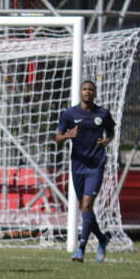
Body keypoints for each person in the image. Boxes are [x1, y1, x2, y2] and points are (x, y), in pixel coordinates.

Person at [55, 79, 115, 263]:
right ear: (80, 92)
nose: (87, 92)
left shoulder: (102, 113)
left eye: (91, 90)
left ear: (95, 93)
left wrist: (107, 140)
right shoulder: (69, 114)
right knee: (84, 208)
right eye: (84, 89)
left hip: (96, 165)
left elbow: (111, 131)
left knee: (87, 204)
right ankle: (102, 239)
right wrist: (67, 136)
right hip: (78, 165)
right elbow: (57, 137)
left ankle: (80, 249)